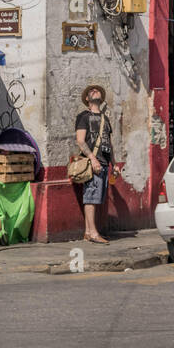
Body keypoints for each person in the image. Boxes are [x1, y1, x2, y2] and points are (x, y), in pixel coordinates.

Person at [74, 84, 113, 244]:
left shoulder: (105, 118)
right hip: (92, 163)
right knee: (91, 197)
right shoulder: (83, 116)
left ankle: (88, 232)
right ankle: (93, 233)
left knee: (96, 197)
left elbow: (110, 143)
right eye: (91, 91)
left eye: (97, 90)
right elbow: (80, 141)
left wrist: (114, 164)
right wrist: (93, 158)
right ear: (87, 99)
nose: (94, 91)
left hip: (104, 162)